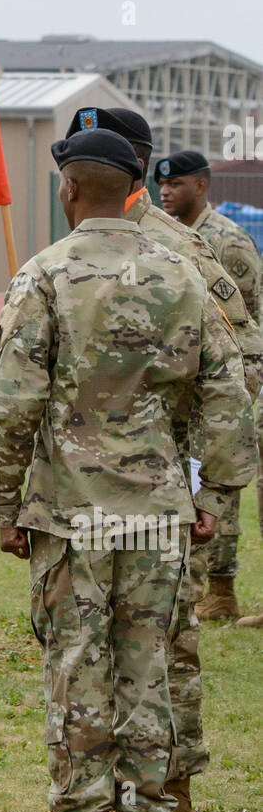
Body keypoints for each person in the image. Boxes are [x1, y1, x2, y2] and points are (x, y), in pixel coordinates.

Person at [0, 129, 255, 812]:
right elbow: (224, 395)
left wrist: (6, 504)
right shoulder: (179, 273)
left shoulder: (45, 275)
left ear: (69, 191)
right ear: (136, 189)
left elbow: (11, 407)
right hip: (158, 510)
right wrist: (209, 498)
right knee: (146, 671)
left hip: (71, 513)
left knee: (76, 674)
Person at [51, 106, 263, 812]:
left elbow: (236, 367)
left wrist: (208, 489)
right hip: (81, 492)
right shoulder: (72, 251)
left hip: (161, 489)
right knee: (88, 649)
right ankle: (106, 804)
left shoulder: (184, 252)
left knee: (160, 648)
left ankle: (169, 803)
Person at [155, 149, 263, 621]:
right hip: (192, 379)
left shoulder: (226, 241)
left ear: (201, 185)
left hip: (230, 377)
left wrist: (240, 386)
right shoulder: (170, 237)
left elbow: (245, 319)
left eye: (176, 184)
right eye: (162, 184)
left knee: (222, 480)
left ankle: (221, 589)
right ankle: (206, 587)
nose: (165, 191)